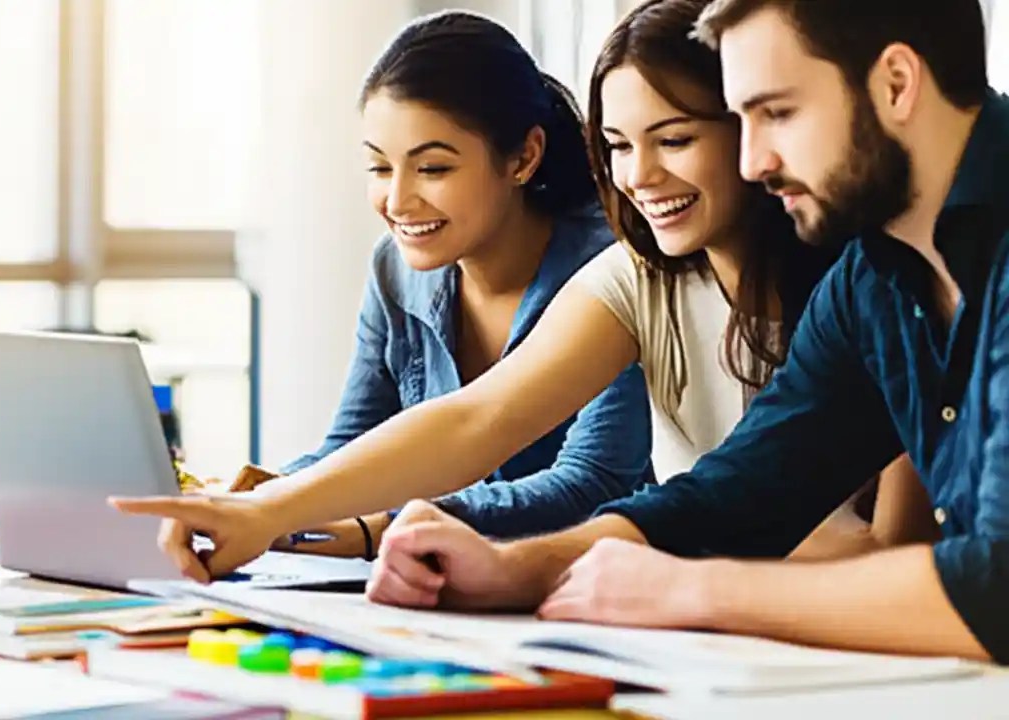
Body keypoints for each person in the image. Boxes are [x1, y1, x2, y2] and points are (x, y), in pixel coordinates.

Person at [111, 0, 930, 581]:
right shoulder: (637, 276)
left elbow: (897, 552)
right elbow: (479, 418)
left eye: (675, 139)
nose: (640, 176)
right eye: (618, 146)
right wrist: (268, 510)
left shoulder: (872, 284)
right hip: (704, 627)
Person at [368, 0, 1009, 663]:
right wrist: (515, 570)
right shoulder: (873, 274)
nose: (753, 162)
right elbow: (734, 496)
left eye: (778, 113)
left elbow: (996, 587)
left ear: (896, 84)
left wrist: (693, 590)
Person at [194, 11, 656, 557]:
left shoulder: (615, 266)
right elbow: (350, 448)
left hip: (589, 576)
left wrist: (380, 528)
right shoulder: (395, 271)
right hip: (440, 576)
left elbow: (592, 485)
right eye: (379, 168)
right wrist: (256, 501)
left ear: (523, 158)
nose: (397, 201)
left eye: (432, 169)